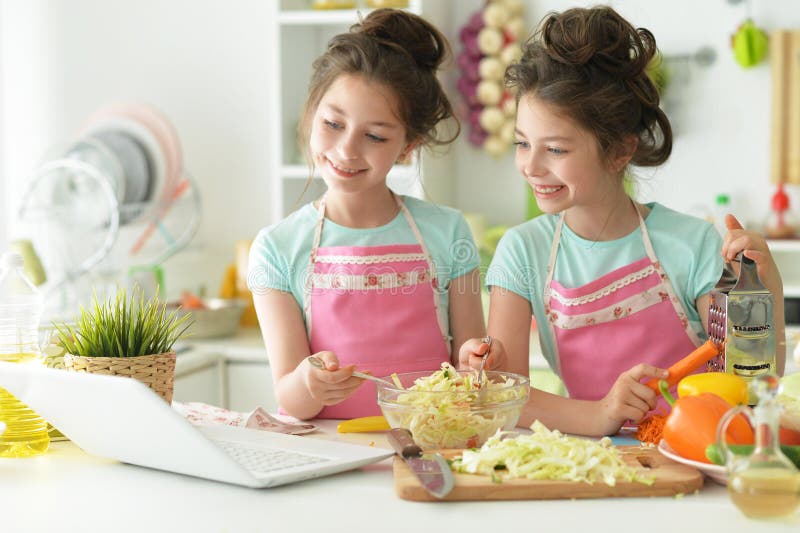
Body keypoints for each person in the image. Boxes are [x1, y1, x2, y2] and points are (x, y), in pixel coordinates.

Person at [459, 5, 785, 437]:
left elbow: (752, 382)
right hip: (588, 461)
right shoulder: (522, 251)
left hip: (696, 451)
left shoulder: (692, 244)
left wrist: (767, 290)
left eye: (555, 150)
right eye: (523, 143)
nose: (530, 167)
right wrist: (599, 413)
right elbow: (507, 395)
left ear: (620, 150)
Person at [248, 9, 485, 420]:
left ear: (409, 145)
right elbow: (291, 397)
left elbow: (472, 363)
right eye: (333, 123)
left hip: (430, 444)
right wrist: (309, 382)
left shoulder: (449, 233)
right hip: (330, 454)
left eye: (375, 135)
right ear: (310, 114)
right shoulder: (276, 248)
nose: (346, 151)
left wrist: (476, 364)